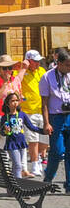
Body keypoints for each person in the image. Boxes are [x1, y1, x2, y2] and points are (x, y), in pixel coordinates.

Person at [40, 48, 70, 193]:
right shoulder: (47, 77)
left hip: (69, 116)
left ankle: (69, 185)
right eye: (67, 65)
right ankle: (48, 180)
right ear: (59, 63)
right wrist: (46, 122)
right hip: (55, 117)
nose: (69, 68)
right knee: (57, 152)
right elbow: (44, 102)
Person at [0, 90, 44, 179]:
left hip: (21, 143)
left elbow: (31, 127)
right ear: (7, 104)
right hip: (11, 144)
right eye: (12, 101)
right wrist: (5, 131)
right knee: (18, 165)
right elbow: (2, 133)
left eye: (16, 100)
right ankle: (18, 186)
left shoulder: (22, 114)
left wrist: (43, 131)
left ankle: (11, 186)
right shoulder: (5, 117)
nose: (15, 102)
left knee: (16, 166)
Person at [19, 50, 46, 175]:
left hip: (43, 110)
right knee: (33, 139)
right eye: (35, 61)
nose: (38, 63)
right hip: (28, 111)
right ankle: (35, 164)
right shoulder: (21, 72)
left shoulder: (42, 71)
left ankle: (39, 159)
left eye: (39, 60)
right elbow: (16, 81)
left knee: (44, 139)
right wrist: (23, 68)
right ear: (28, 61)